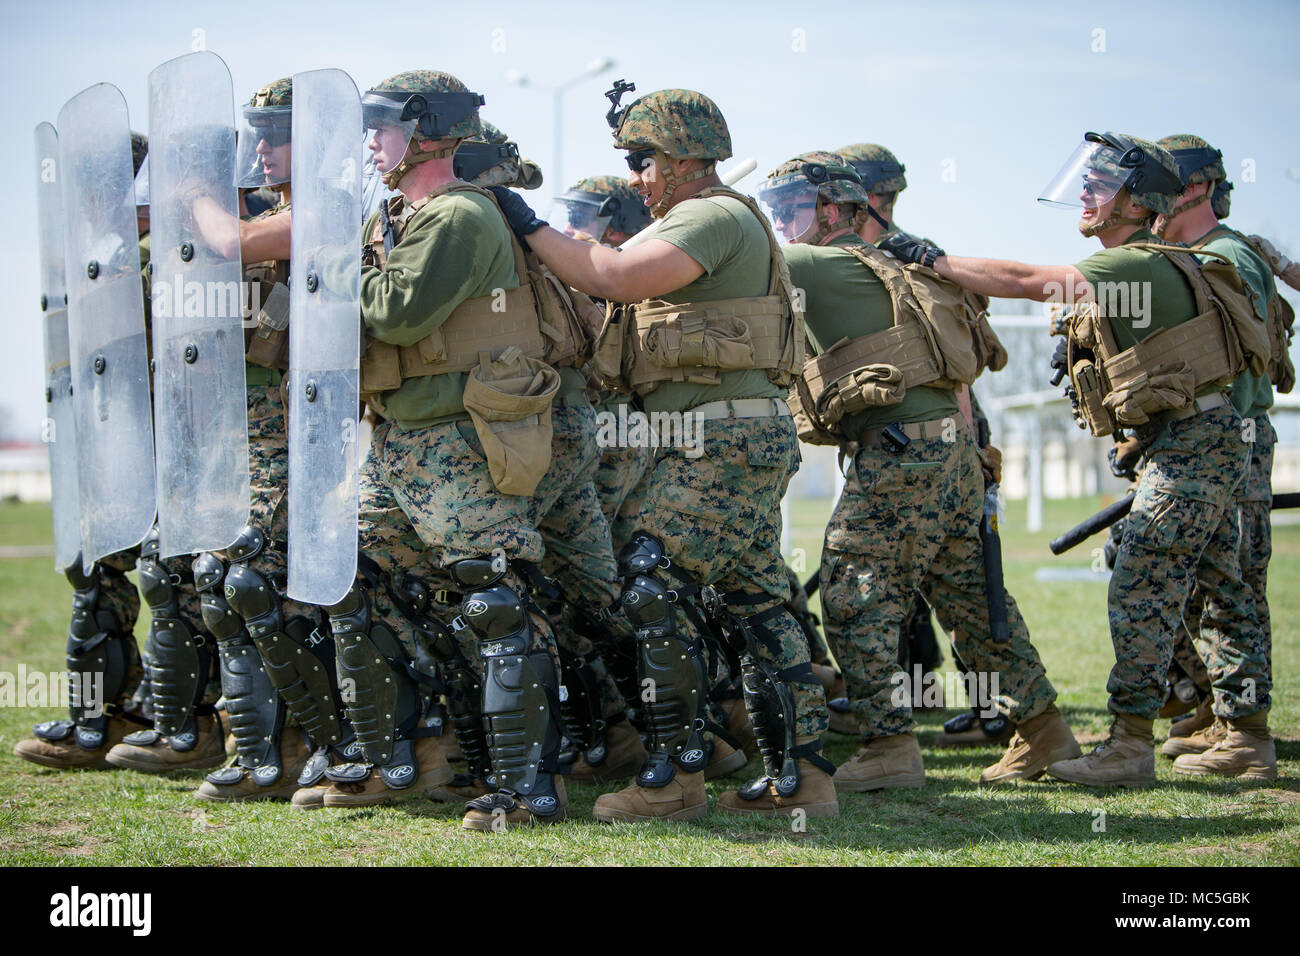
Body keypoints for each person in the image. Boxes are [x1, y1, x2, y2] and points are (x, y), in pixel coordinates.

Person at [492, 85, 836, 820]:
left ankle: (677, 779)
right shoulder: (691, 221)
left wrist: (519, 217)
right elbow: (601, 268)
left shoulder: (710, 214)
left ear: (682, 156)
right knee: (755, 604)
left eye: (642, 160)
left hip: (723, 438)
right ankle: (800, 781)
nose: (635, 178)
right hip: (718, 436)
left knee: (652, 580)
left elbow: (613, 277)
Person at [885, 132, 1265, 786]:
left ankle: (1130, 745)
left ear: (1137, 200)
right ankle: (1241, 737)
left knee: (1141, 581)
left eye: (1099, 185)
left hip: (1194, 446)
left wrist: (934, 260)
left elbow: (1035, 282)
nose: (1084, 196)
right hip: (1203, 440)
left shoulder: (1135, 262)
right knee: (1219, 585)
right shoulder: (1164, 258)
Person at [762, 152, 1076, 789]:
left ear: (834, 212)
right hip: (950, 452)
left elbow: (726, 273)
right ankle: (1045, 732)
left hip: (903, 453)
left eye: (791, 208)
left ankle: (889, 746)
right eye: (776, 210)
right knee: (972, 599)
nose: (781, 223)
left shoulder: (809, 262)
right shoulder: (892, 266)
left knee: (850, 592)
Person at [326, 70, 571, 828]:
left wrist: (326, 265)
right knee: (361, 584)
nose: (370, 142)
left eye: (382, 126)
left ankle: (529, 786)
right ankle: (409, 758)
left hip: (461, 439)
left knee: (492, 598)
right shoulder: (402, 215)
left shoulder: (458, 214)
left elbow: (396, 313)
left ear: (425, 130)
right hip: (402, 438)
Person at [1148, 134, 1279, 780]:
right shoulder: (1203, 254)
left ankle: (1248, 740)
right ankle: (1217, 716)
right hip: (1221, 446)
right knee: (1205, 583)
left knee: (1230, 589)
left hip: (1234, 444)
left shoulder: (1221, 256)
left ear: (1194, 189)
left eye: (1158, 186)